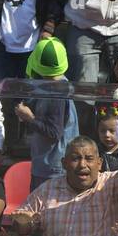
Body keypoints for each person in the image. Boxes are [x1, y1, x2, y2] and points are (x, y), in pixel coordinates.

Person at [7, 135, 118, 236]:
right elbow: (21, 228)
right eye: (75, 159)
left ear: (99, 163)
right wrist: (23, 222)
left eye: (89, 159)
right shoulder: (46, 190)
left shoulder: (111, 183)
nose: (82, 164)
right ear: (64, 163)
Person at [17, 37, 78, 188]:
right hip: (54, 165)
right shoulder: (60, 83)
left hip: (52, 169)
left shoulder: (55, 92)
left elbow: (53, 131)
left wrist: (29, 118)